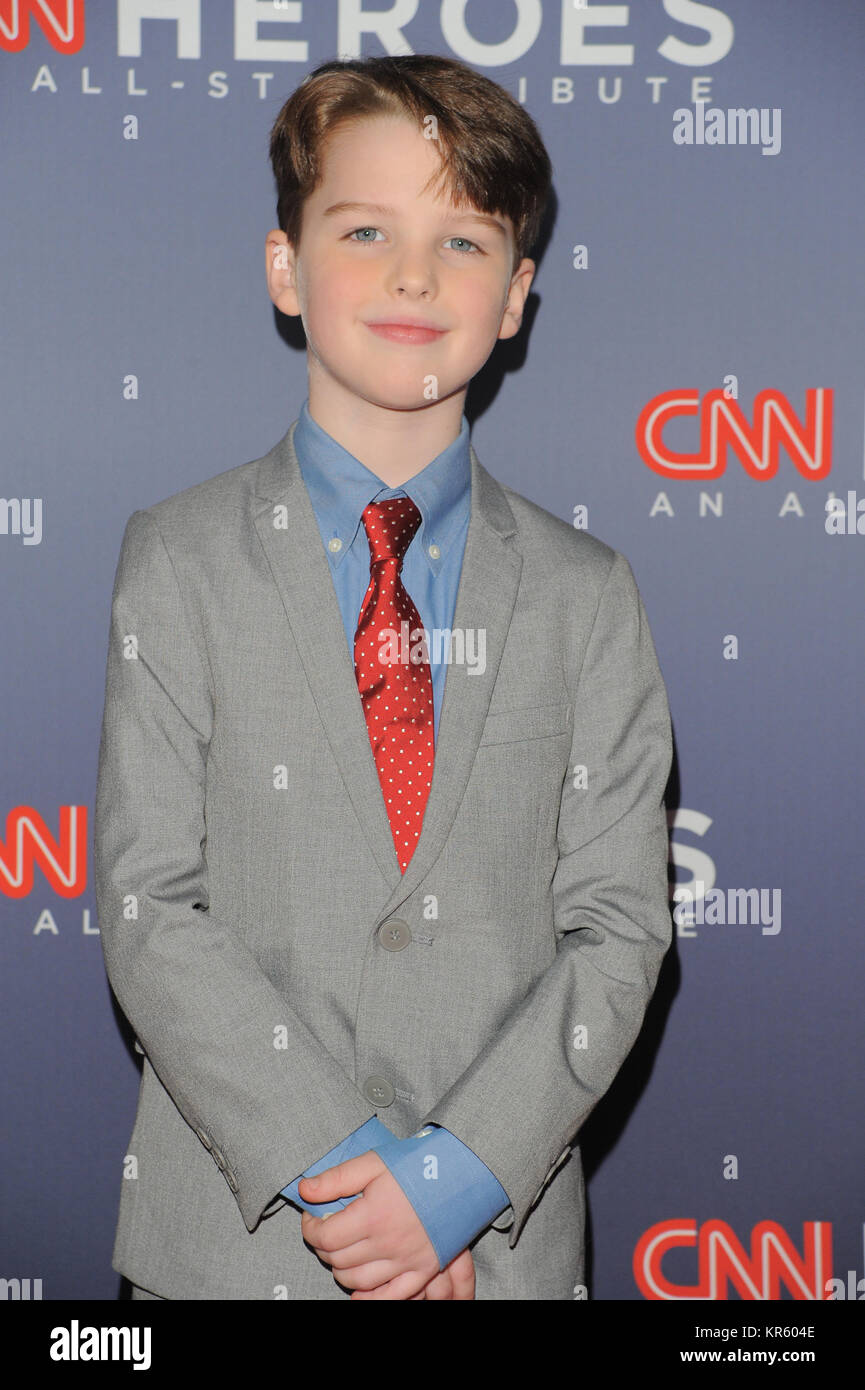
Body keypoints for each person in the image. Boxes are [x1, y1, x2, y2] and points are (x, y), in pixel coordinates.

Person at [94, 54, 673, 1302]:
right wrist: (359, 1176)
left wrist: (457, 1181)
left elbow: (620, 928)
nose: (414, 275)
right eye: (366, 230)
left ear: (515, 296)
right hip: (231, 1257)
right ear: (286, 269)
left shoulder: (588, 595)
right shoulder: (177, 560)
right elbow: (149, 908)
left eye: (463, 242)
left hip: (501, 1258)